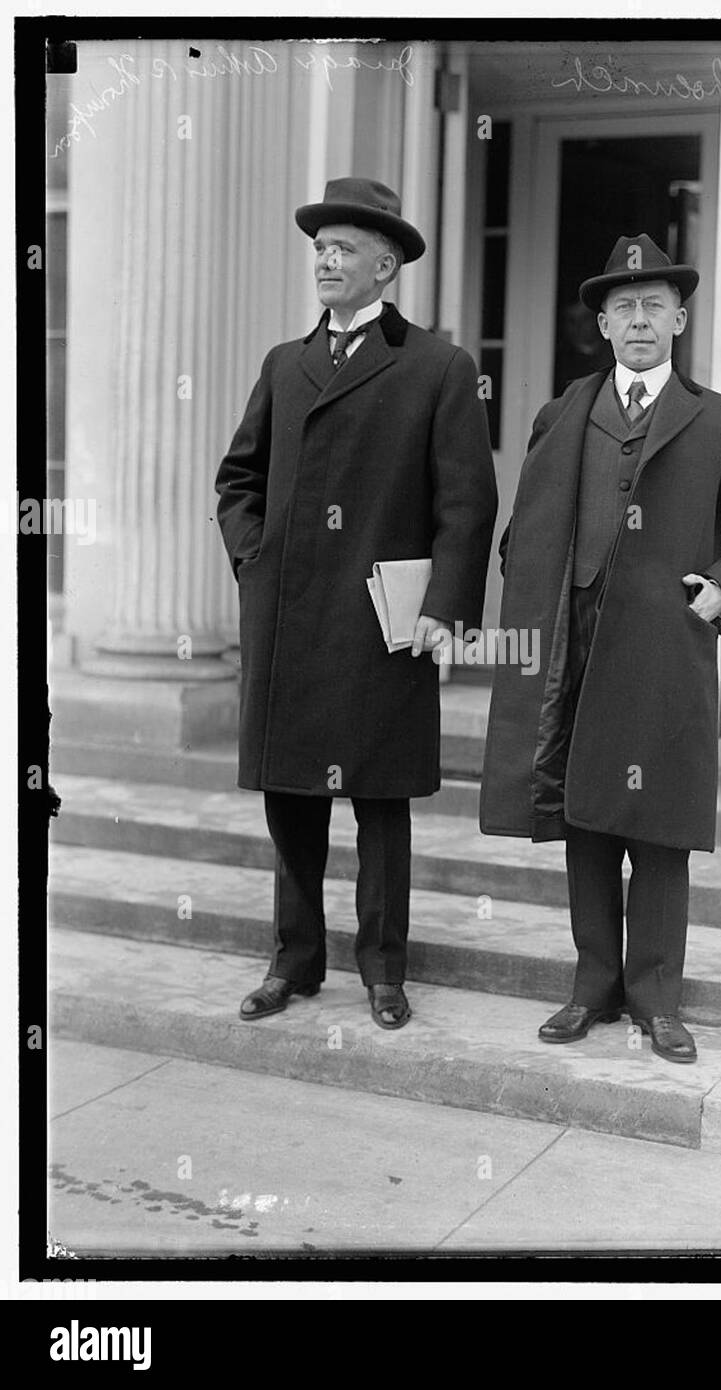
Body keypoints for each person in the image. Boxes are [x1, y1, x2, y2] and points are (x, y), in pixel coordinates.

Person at [479, 233, 721, 1063]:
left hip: (664, 649)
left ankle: (657, 998)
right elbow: (522, 533)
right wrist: (543, 592)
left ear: (679, 319)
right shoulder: (565, 411)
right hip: (574, 647)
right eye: (624, 308)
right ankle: (592, 987)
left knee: (658, 824)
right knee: (586, 815)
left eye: (655, 305)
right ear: (603, 326)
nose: (640, 320)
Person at [216, 177, 497, 1030]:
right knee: (289, 796)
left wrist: (445, 610)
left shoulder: (439, 367)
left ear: (386, 265)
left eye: (343, 250)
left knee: (380, 798)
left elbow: (467, 504)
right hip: (291, 616)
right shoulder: (283, 363)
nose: (325, 262)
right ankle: (295, 961)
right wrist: (255, 560)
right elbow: (239, 479)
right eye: (318, 249)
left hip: (386, 620)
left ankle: (382, 969)